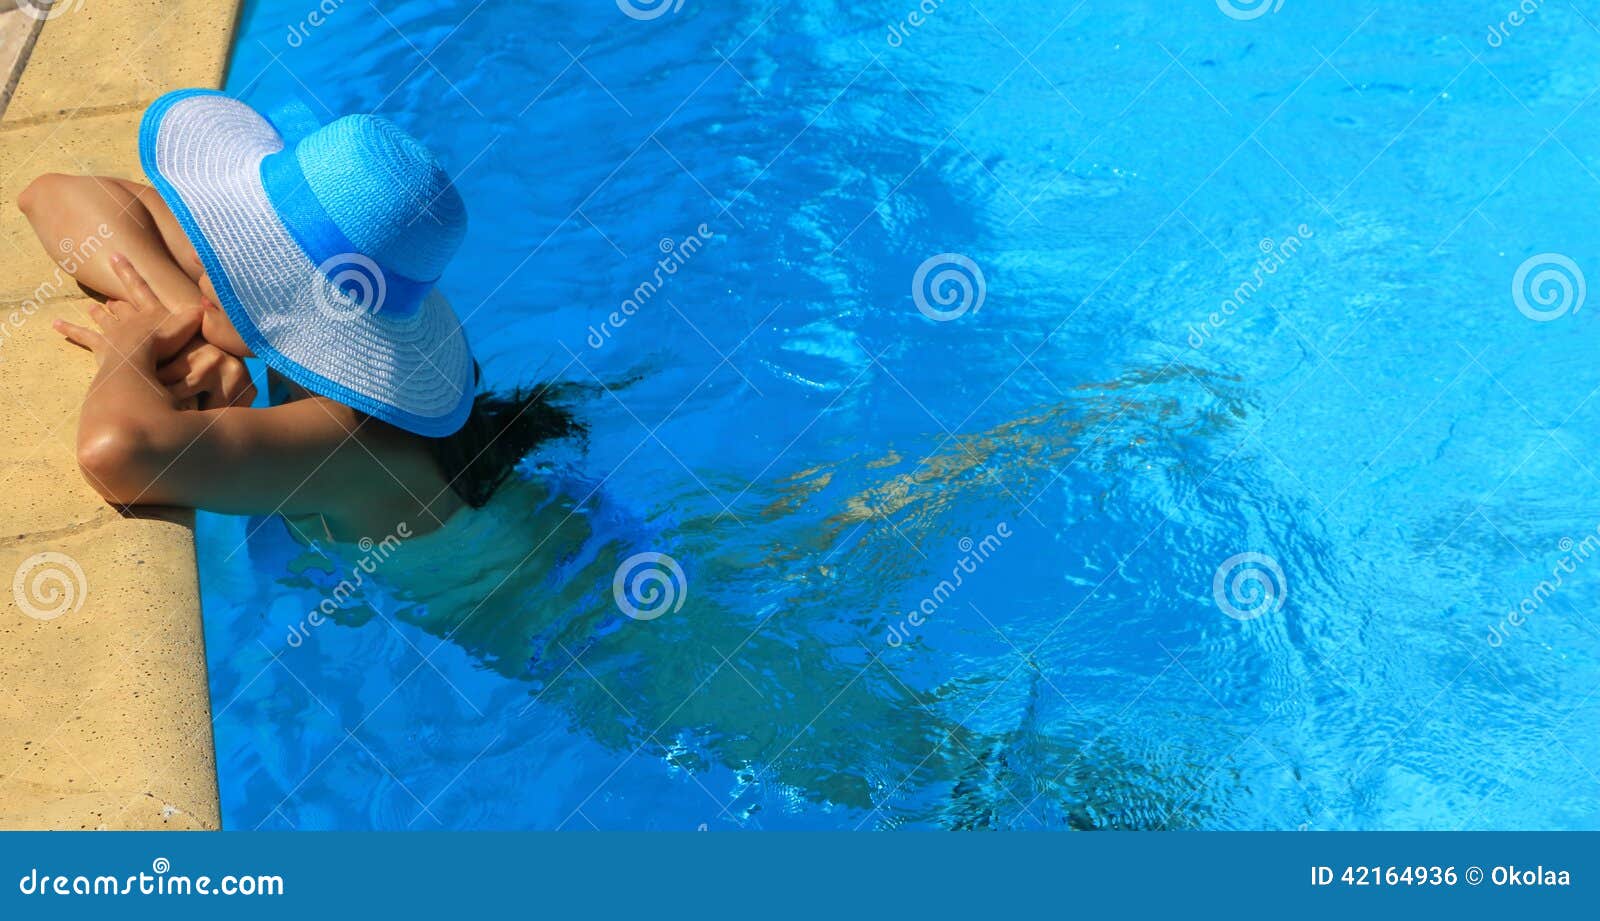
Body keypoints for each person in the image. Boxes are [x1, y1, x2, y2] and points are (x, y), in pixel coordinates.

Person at [17, 89, 579, 541]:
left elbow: (119, 453)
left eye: (242, 258)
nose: (204, 265)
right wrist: (184, 317)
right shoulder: (333, 335)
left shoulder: (355, 441)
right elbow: (52, 196)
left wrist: (129, 351)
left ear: (309, 313)